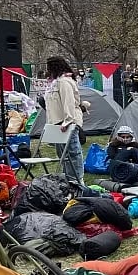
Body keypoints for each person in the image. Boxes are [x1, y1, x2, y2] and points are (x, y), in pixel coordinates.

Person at [44, 56, 84, 184]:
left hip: (67, 122)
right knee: (62, 155)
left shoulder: (65, 81)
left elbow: (69, 102)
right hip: (57, 123)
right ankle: (68, 181)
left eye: (49, 67)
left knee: (72, 153)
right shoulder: (55, 82)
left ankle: (77, 181)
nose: (47, 70)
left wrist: (68, 121)